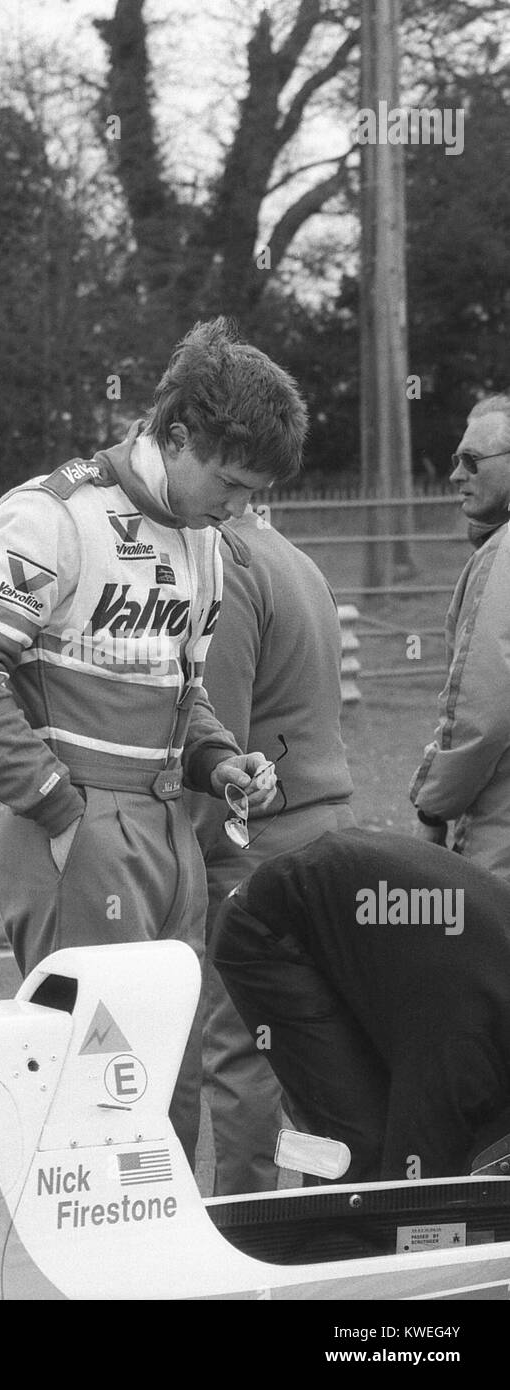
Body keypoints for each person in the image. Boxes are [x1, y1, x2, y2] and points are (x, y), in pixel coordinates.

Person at [0, 317, 307, 1164]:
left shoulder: (205, 541)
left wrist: (219, 760)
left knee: (168, 1091)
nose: (240, 507)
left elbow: (182, 691)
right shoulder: (53, 515)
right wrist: (58, 808)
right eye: (231, 481)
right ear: (177, 436)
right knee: (91, 1098)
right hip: (80, 831)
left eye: (252, 492)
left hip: (172, 836)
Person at [185, 511, 355, 1194]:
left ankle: (243, 1225)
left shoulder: (226, 566)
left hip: (258, 842)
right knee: (316, 1048)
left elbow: (220, 740)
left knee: (241, 1053)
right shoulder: (297, 559)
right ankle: (330, 1211)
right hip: (327, 828)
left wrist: (189, 860)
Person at [211, 828, 510, 1182]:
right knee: (360, 1146)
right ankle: (323, 1216)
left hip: (371, 916)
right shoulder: (462, 1048)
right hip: (268, 926)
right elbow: (415, 1173)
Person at [411, 395, 510, 881]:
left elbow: (481, 713)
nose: (455, 474)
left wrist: (432, 808)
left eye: (471, 460)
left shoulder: (503, 557)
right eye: (456, 460)